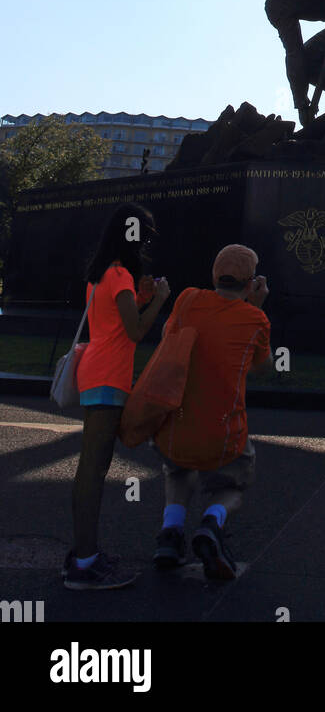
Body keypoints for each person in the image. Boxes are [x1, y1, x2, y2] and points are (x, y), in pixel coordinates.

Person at [63, 202, 169, 591]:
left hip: (96, 370)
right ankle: (85, 563)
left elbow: (113, 321)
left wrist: (139, 300)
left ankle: (83, 555)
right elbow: (136, 332)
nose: (146, 241)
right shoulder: (120, 274)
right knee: (93, 469)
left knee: (92, 467)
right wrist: (158, 299)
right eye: (146, 233)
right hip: (108, 377)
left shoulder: (102, 273)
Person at [151, 244, 272, 581]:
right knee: (236, 480)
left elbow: (169, 336)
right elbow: (264, 367)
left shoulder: (187, 299)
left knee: (177, 470)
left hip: (175, 423)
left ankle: (170, 533)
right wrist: (255, 307)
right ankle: (211, 522)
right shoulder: (255, 319)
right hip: (222, 432)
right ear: (250, 284)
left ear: (215, 275)